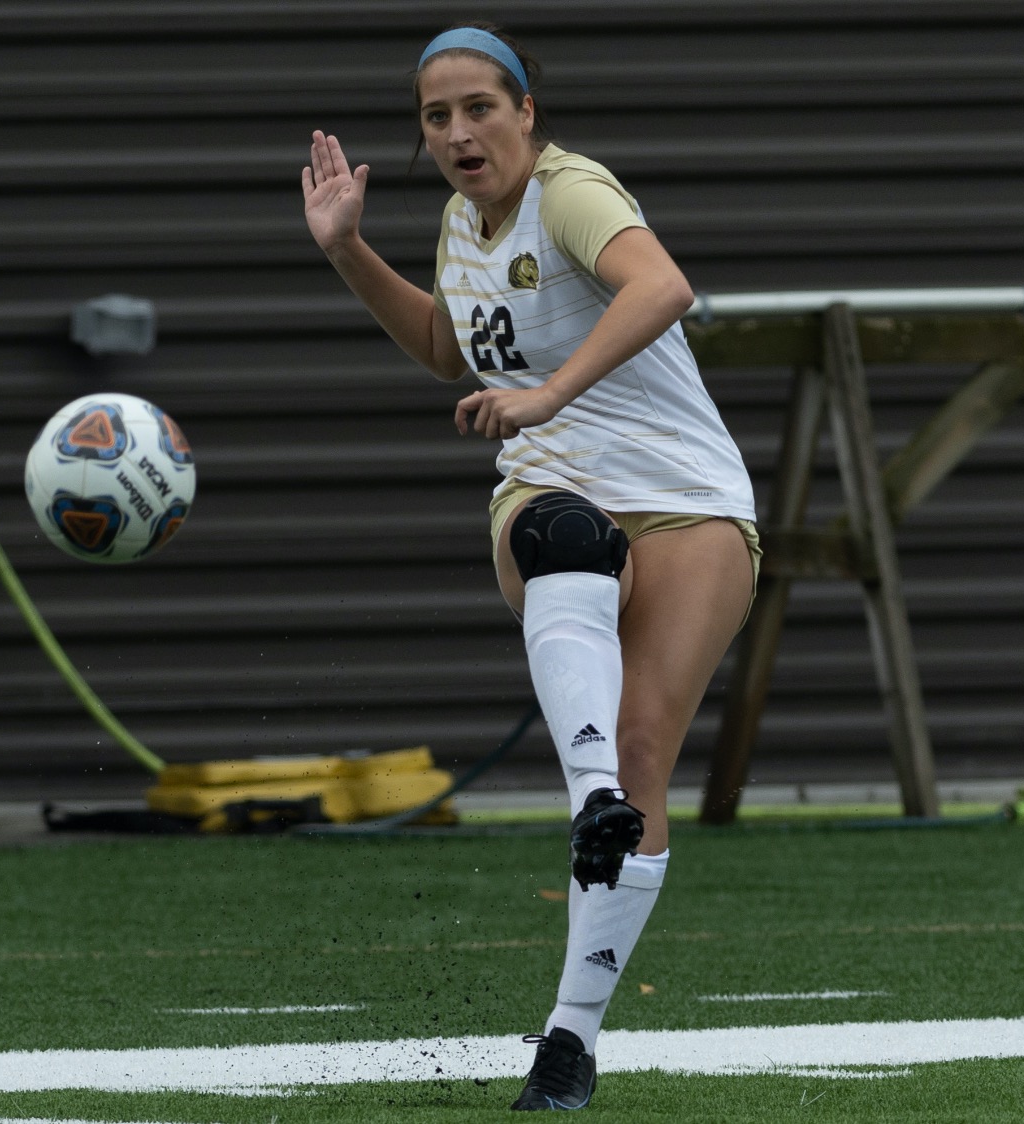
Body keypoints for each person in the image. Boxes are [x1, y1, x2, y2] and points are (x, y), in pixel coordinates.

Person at [302, 21, 759, 1112]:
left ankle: (567, 1039)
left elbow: (663, 289)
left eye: (477, 108)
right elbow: (446, 350)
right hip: (552, 487)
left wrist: (549, 392)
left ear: (524, 114)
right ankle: (587, 790)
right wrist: (345, 249)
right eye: (435, 116)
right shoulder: (461, 222)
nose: (458, 132)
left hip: (689, 494)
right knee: (564, 534)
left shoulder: (570, 191)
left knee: (645, 746)